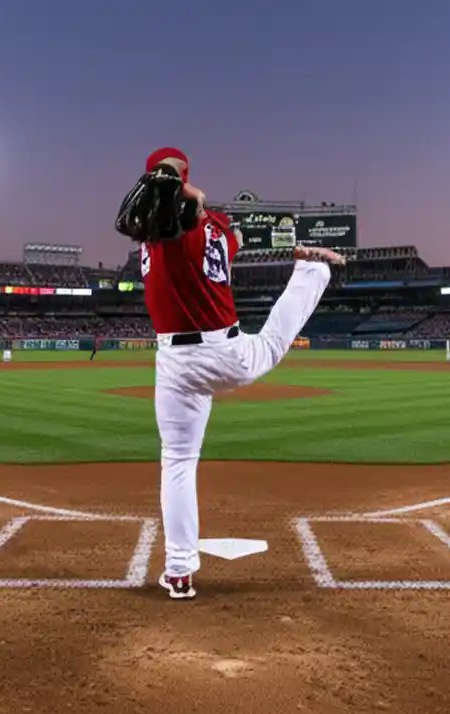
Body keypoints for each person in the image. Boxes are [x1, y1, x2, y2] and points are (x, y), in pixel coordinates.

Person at [130, 147, 344, 599]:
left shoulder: (161, 228)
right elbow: (229, 236)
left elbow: (179, 213)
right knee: (268, 344)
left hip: (179, 362)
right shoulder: (217, 227)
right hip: (222, 351)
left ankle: (180, 569)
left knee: (178, 463)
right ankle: (311, 272)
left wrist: (177, 191)